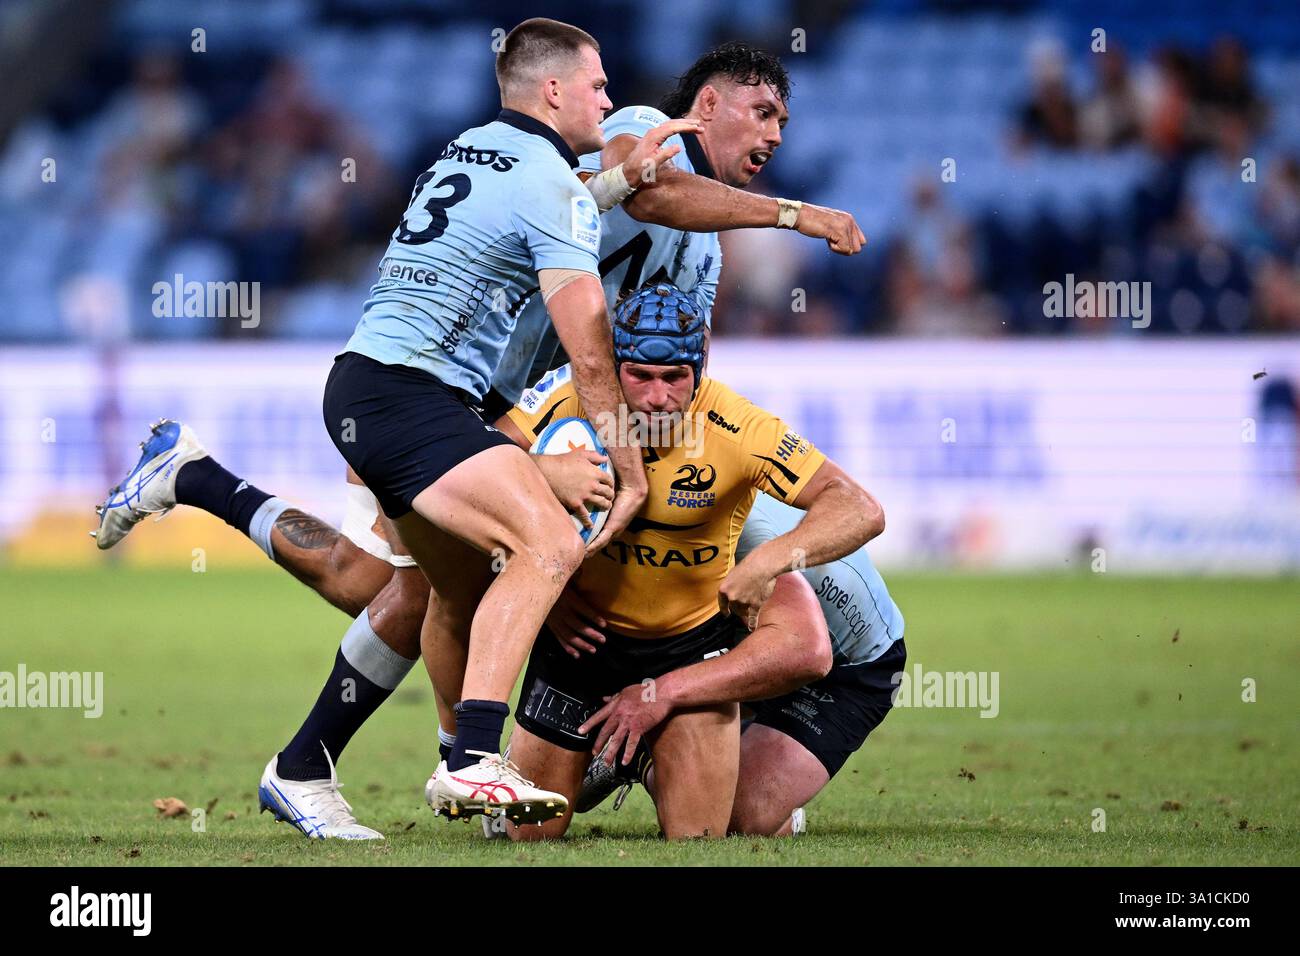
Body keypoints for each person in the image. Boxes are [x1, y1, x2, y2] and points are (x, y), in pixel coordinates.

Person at [93, 40, 868, 838]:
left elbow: (632, 258)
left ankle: (213, 521)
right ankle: (461, 760)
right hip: (459, 396)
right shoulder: (644, 131)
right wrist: (795, 214)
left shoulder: (572, 185)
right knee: (423, 577)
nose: (776, 135)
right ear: (708, 106)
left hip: (464, 393)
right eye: (762, 112)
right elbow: (648, 199)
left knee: (425, 589)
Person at [488, 281, 885, 840]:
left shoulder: (740, 428)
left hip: (689, 650)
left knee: (699, 837)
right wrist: (546, 597)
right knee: (528, 833)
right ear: (613, 362)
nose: (657, 397)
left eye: (675, 377)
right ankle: (603, 756)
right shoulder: (570, 395)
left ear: (699, 368)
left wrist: (768, 560)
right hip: (582, 642)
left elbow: (859, 507)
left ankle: (654, 760)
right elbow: (475, 472)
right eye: (640, 377)